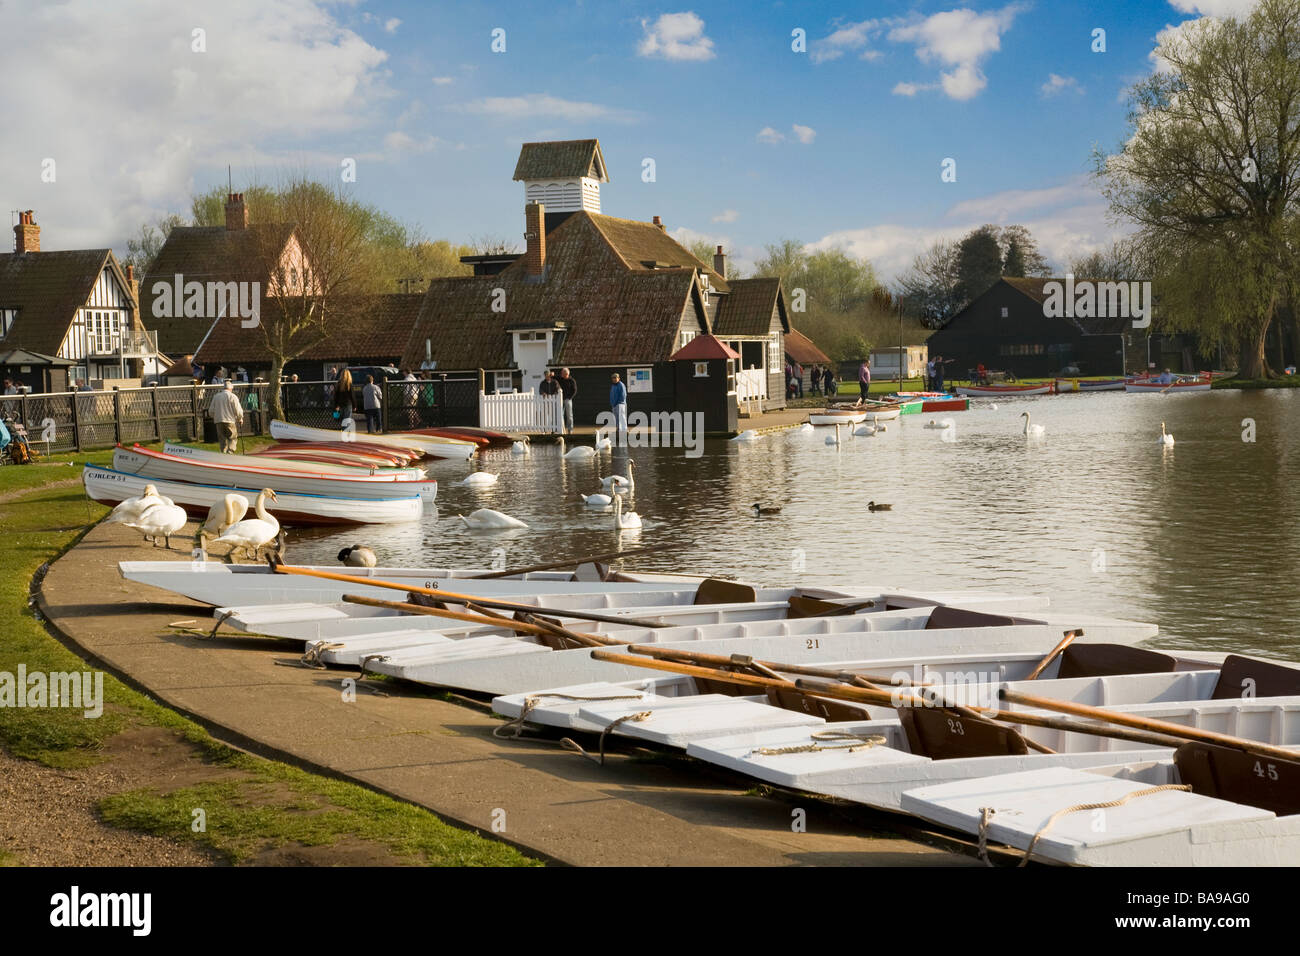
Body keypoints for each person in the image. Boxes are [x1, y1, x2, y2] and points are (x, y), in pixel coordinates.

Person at [208, 380, 244, 454]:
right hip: (230, 420)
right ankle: (230, 452)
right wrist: (240, 418)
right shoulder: (233, 396)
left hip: (219, 420)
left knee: (222, 439)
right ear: (231, 389)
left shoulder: (216, 396)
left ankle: (223, 453)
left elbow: (211, 410)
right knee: (232, 437)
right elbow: (238, 410)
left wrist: (214, 417)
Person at [557, 367, 577, 433]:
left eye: (562, 373)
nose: (561, 374)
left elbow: (574, 390)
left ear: (566, 374)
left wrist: (569, 397)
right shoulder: (560, 379)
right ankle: (562, 429)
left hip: (568, 400)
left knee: (569, 415)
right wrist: (551, 375)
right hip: (561, 400)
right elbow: (554, 377)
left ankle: (570, 429)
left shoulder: (572, 380)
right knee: (560, 415)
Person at [610, 372, 628, 437]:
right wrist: (612, 403)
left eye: (616, 378)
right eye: (613, 378)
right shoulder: (613, 386)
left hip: (620, 404)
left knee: (621, 417)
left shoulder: (621, 385)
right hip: (614, 405)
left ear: (619, 378)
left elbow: (623, 395)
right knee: (616, 418)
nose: (614, 379)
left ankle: (624, 430)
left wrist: (619, 402)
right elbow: (611, 395)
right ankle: (618, 429)